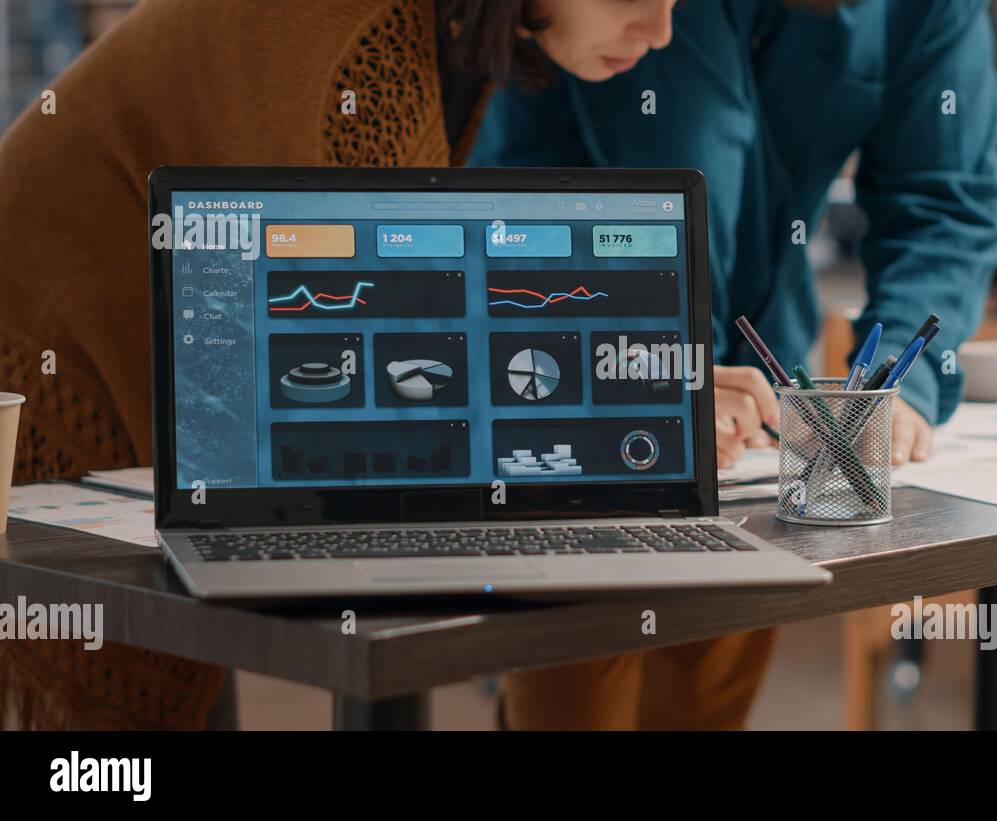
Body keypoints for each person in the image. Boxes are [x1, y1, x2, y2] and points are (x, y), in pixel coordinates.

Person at [0, 0, 679, 729]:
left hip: (165, 383)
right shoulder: (367, 39)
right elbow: (382, 354)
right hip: (50, 381)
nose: (662, 29)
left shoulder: (448, 28)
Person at [471, 0, 997, 729]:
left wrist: (899, 384)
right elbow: (504, 202)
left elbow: (944, 204)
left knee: (703, 706)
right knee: (573, 698)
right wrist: (633, 376)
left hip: (762, 407)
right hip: (584, 399)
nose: (659, 27)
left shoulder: (928, 12)